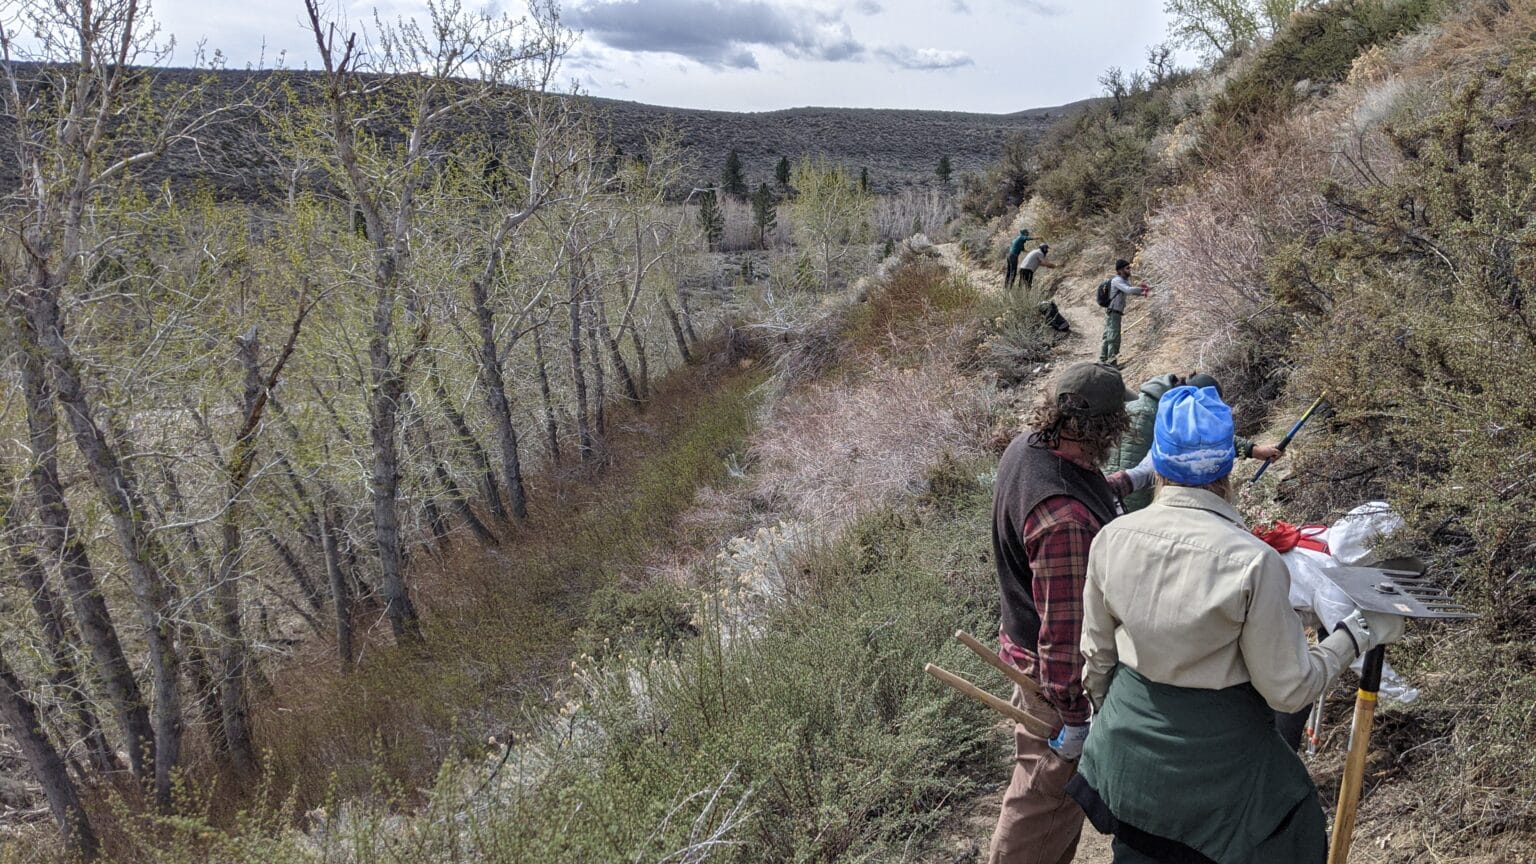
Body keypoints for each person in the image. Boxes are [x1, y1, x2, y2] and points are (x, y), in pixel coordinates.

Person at [1072, 385, 1406, 863]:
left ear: (1159, 465)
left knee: (1139, 848)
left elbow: (1097, 659)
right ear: (1227, 468)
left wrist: (1121, 720)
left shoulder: (1111, 538)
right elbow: (1288, 690)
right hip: (1217, 764)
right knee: (1289, 825)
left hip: (1125, 750)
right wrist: (1355, 635)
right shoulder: (1253, 561)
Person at [988, 362, 1132, 864]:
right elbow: (1065, 636)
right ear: (1106, 427)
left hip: (1025, 653)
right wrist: (1073, 716)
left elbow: (1083, 486)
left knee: (1048, 804)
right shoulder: (1065, 524)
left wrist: (1131, 480)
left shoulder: (1029, 447)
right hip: (1052, 683)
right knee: (1044, 802)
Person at [1105, 371, 1284, 512]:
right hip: (1126, 506)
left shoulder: (1173, 409)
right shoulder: (1143, 414)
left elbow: (1206, 440)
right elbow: (1127, 466)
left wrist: (1254, 450)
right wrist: (1135, 517)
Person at [1100, 259, 1152, 365]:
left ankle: (1103, 360)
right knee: (1113, 336)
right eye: (1127, 268)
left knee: (1109, 335)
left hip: (1115, 313)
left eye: (1129, 268)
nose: (1129, 270)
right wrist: (1143, 290)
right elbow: (1128, 290)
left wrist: (1143, 293)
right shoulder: (1117, 280)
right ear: (1120, 270)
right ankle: (1110, 362)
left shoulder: (1123, 280)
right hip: (1113, 312)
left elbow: (1130, 291)